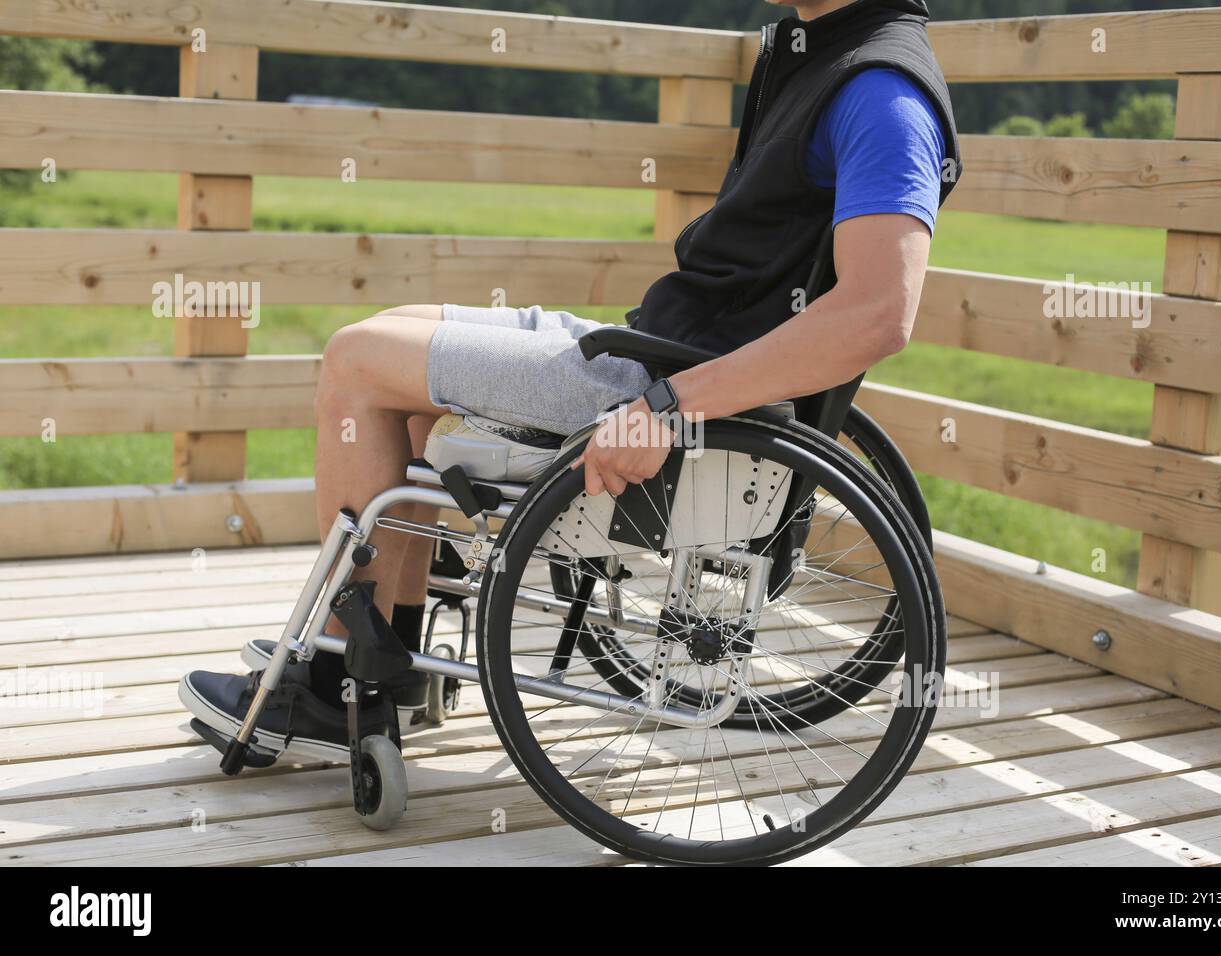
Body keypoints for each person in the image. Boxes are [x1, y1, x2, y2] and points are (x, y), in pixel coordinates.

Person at [179, 0, 962, 754]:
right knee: (396, 332)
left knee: (356, 361)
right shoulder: (819, 52)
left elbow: (876, 314)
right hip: (654, 350)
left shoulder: (880, 94)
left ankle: (332, 685)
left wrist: (669, 406)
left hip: (660, 384)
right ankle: (387, 672)